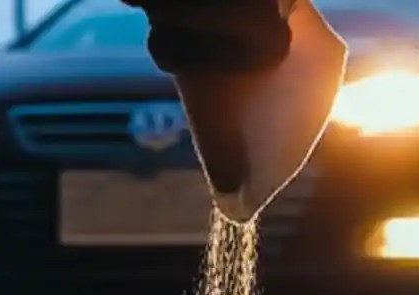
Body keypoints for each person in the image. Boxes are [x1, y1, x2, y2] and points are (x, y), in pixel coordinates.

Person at [119, 0, 347, 223]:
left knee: (228, 170)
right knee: (230, 174)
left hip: (198, 41)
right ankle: (232, 190)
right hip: (247, 41)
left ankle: (231, 188)